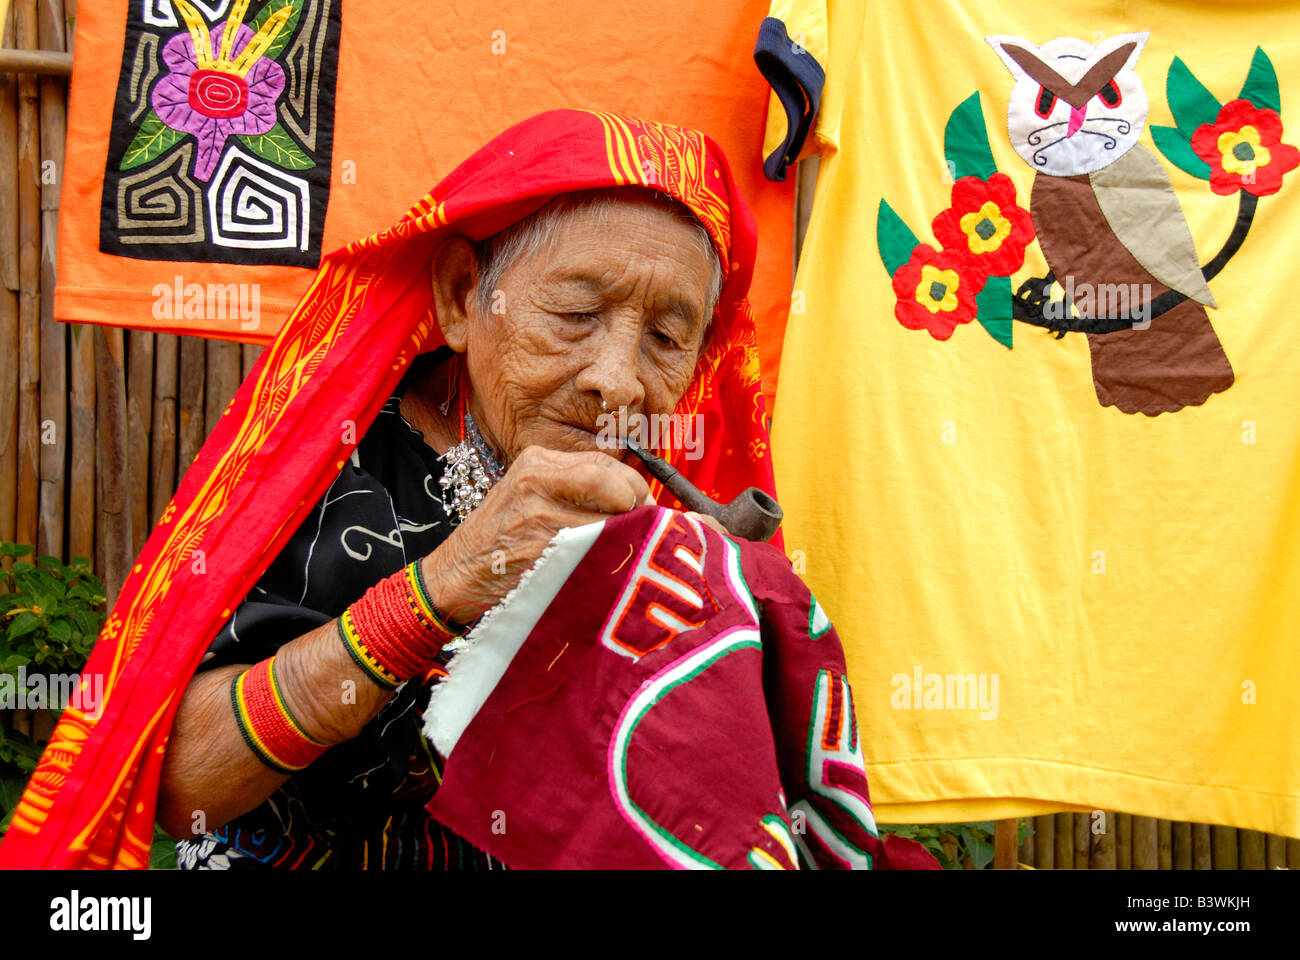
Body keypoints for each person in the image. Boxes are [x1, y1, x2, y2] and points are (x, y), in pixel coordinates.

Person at [0, 109, 784, 869]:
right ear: (461, 296)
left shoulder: (667, 519)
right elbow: (182, 788)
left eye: (666, 339)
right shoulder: (324, 465)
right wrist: (442, 587)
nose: (619, 383)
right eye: (576, 312)